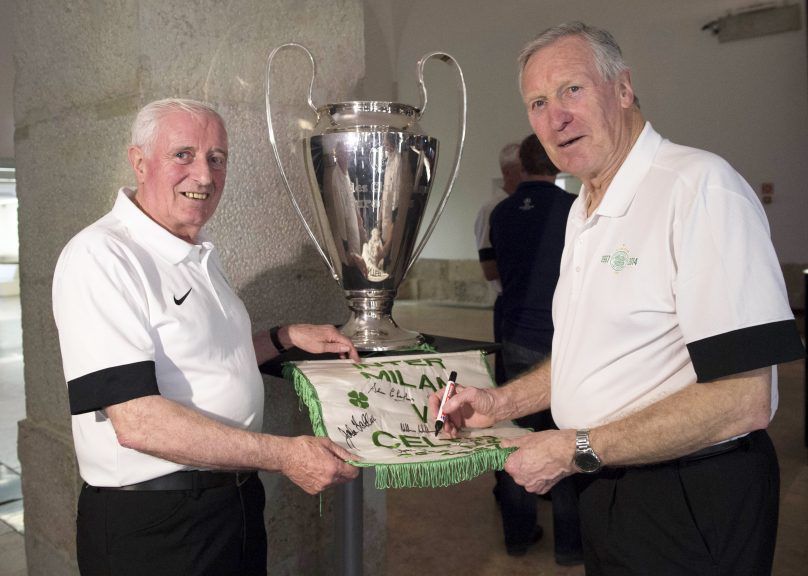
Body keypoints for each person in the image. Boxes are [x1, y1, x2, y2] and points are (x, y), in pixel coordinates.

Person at [432, 22, 804, 576]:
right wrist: (499, 404)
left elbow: (742, 399)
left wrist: (573, 448)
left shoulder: (698, 187)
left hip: (688, 496)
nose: (555, 117)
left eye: (571, 89)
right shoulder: (583, 210)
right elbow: (591, 356)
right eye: (538, 102)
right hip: (607, 484)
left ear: (624, 89)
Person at [52, 98, 361, 576]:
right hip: (158, 526)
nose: (204, 175)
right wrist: (285, 454)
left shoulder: (194, 252)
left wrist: (283, 337)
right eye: (183, 155)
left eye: (217, 159)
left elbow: (203, 360)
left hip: (231, 506)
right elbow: (137, 422)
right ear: (139, 162)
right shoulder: (101, 256)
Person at [488, 134, 581, 562]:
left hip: (516, 337)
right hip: (564, 342)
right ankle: (570, 546)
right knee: (567, 440)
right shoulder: (574, 208)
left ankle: (518, 537)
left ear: (521, 166)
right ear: (558, 163)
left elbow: (498, 271)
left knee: (515, 439)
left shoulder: (501, 212)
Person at [474, 142, 521, 384]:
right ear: (508, 172)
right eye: (524, 169)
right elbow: (489, 269)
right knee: (509, 369)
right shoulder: (492, 209)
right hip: (508, 302)